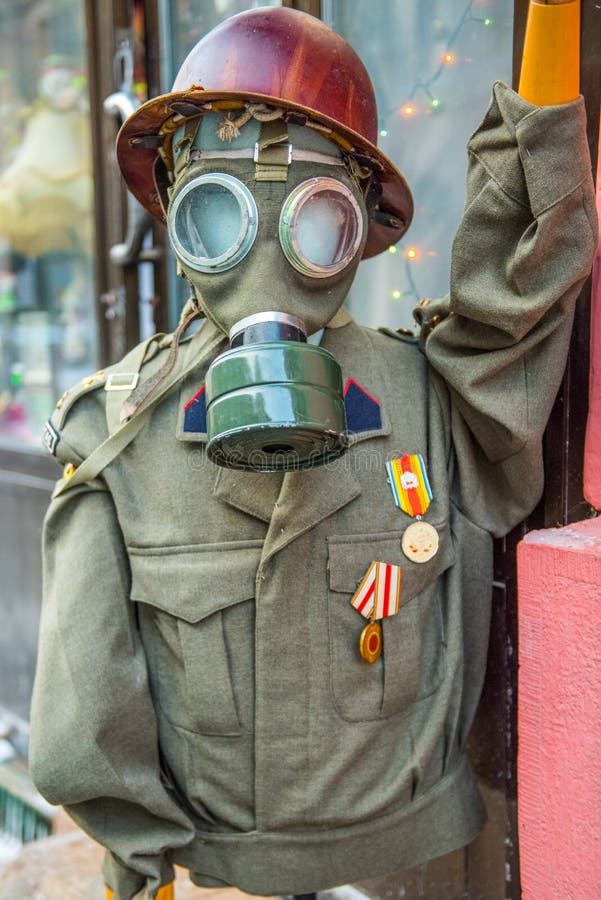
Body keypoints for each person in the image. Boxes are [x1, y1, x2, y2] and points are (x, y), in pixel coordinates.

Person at [30, 3, 596, 899]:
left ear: (359, 233)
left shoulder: (426, 398)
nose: (262, 260)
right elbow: (84, 713)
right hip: (219, 863)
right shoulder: (119, 440)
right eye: (215, 217)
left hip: (412, 833)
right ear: (177, 225)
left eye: (312, 219)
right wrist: (143, 871)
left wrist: (552, 52)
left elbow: (519, 286)